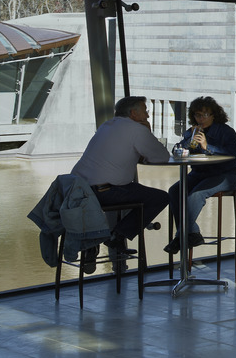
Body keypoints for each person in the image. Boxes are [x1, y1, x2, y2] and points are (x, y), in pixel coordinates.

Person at [69, 95, 172, 271]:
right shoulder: (137, 130)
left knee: (132, 191)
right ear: (133, 113)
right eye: (145, 111)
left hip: (77, 189)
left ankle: (95, 240)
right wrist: (147, 131)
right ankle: (117, 235)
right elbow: (162, 156)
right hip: (105, 192)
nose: (147, 116)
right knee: (161, 197)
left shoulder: (106, 125)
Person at [164, 96, 236, 254]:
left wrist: (207, 146)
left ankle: (180, 237)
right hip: (199, 173)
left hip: (224, 175)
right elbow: (177, 149)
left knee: (196, 195)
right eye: (197, 115)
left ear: (214, 115)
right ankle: (192, 234)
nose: (200, 119)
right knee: (174, 191)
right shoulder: (192, 131)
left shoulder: (226, 132)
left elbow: (234, 153)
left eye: (204, 115)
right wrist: (186, 144)